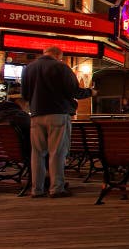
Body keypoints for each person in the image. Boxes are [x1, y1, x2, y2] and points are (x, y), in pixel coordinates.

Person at [21, 46, 97, 198]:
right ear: (58, 55)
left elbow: (25, 95)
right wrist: (91, 92)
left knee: (37, 153)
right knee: (57, 152)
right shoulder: (61, 67)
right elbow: (74, 91)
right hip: (58, 114)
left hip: (36, 115)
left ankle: (37, 189)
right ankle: (56, 188)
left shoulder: (28, 68)